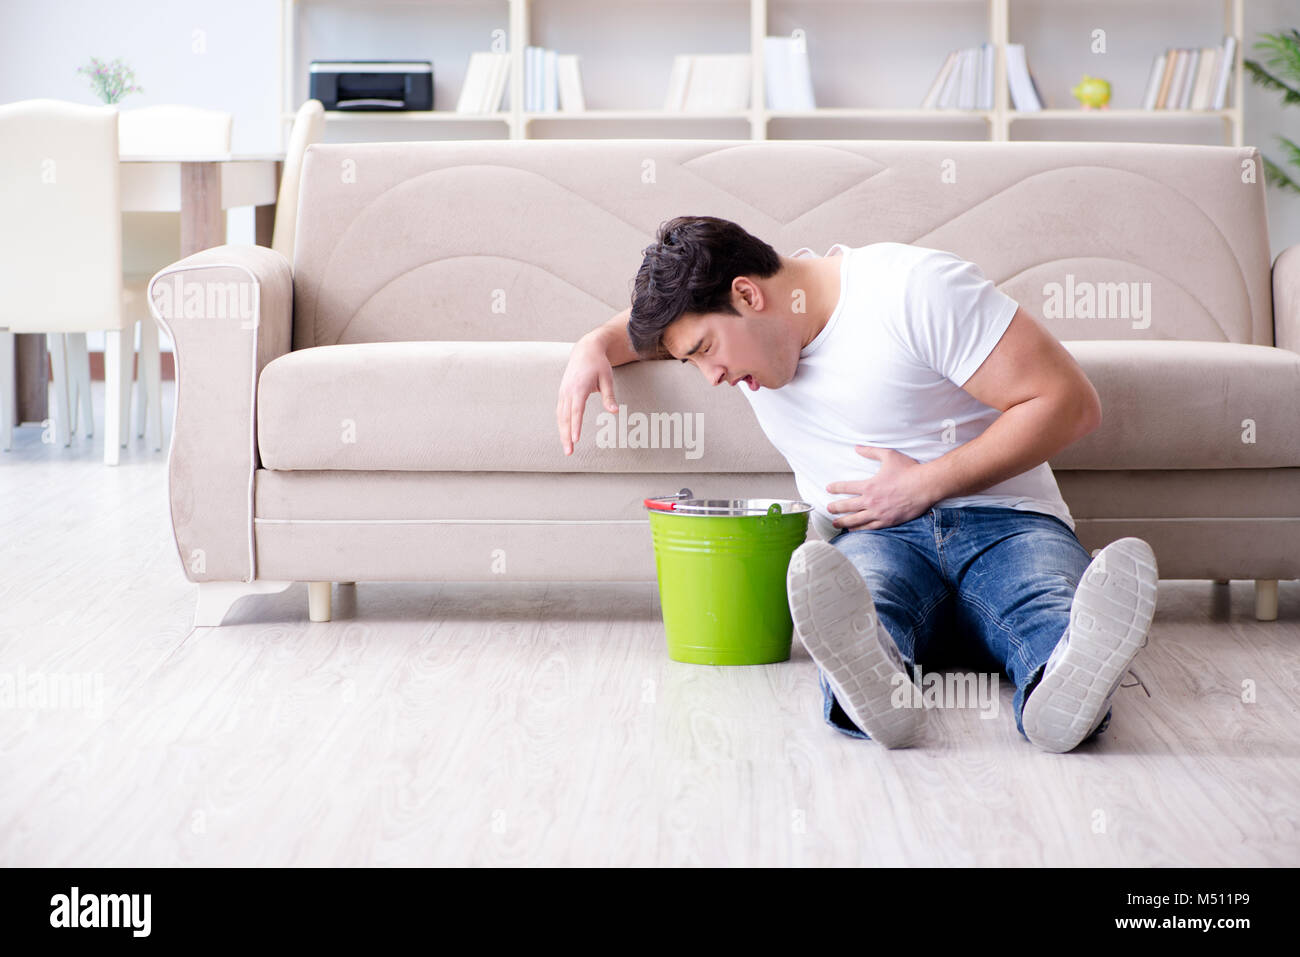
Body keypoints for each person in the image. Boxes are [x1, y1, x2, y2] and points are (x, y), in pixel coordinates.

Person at [555, 215, 1157, 753]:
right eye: (692, 361)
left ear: (747, 293)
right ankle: (877, 698)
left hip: (1005, 518)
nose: (713, 377)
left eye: (706, 350)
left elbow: (1071, 403)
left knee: (1041, 599)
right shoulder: (736, 338)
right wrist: (592, 346)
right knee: (860, 609)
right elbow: (656, 331)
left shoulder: (913, 288)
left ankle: (1064, 696)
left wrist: (925, 483)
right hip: (873, 537)